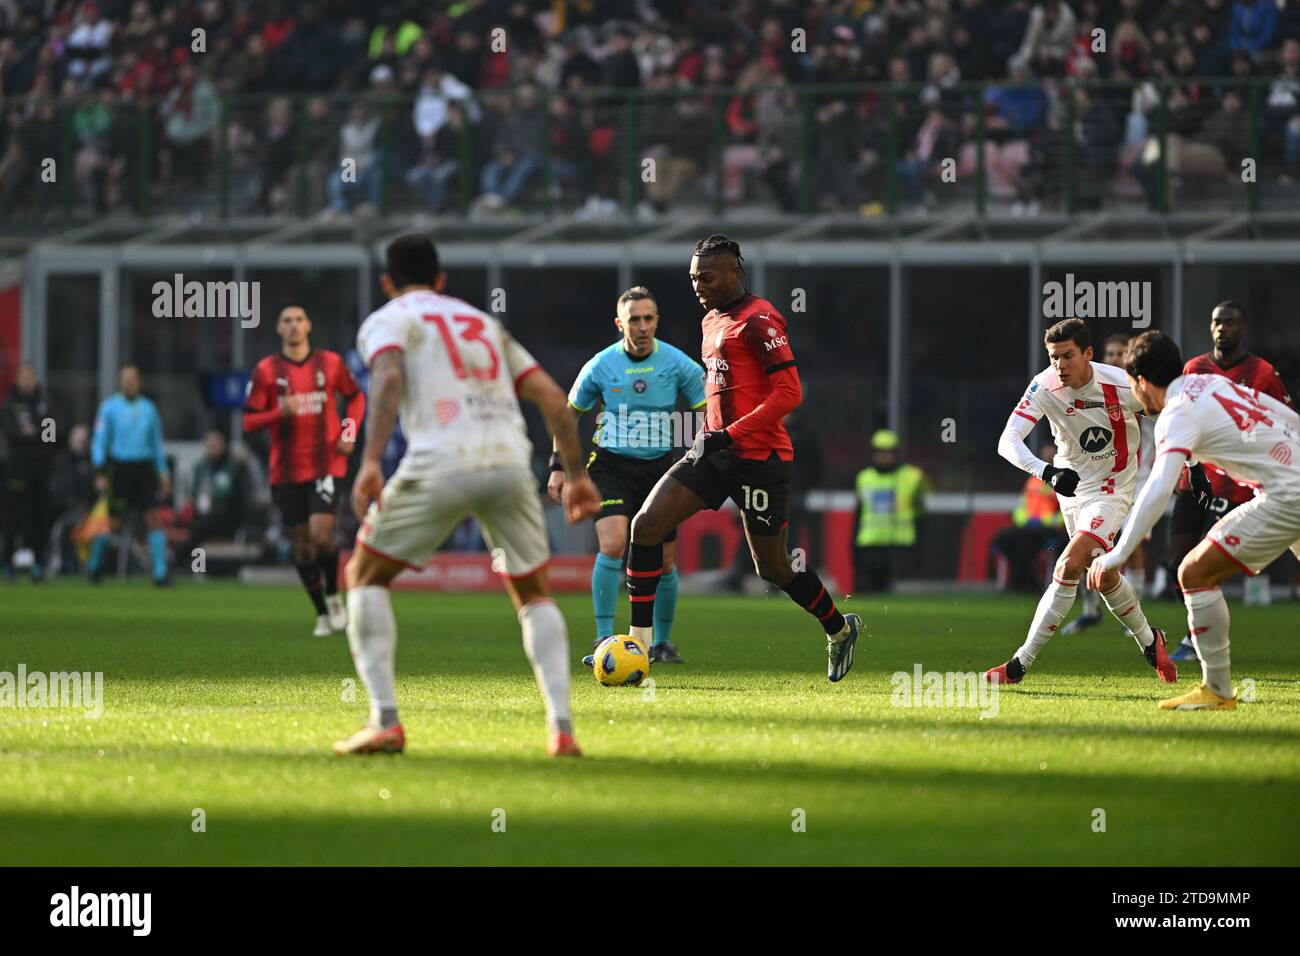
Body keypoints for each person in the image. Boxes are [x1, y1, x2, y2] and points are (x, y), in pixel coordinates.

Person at [339, 234, 600, 757]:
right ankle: (562, 729)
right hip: (508, 460)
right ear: (441, 280)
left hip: (442, 459)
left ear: (387, 283)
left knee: (364, 576)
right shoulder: (483, 322)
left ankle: (385, 721)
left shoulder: (388, 319)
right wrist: (576, 474)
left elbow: (387, 377)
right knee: (532, 592)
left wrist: (369, 462)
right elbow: (553, 398)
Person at [623, 235, 863, 682]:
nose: (698, 285)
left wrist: (728, 434)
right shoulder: (711, 320)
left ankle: (837, 628)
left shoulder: (761, 320)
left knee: (771, 567)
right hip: (713, 452)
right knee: (646, 524)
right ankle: (637, 645)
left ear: (734, 272)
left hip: (760, 460)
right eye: (693, 277)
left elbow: (790, 393)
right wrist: (710, 434)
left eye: (706, 277)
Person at [1089, 331, 1300, 710]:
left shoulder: (1176, 412)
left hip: (1287, 495)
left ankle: (1217, 690)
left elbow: (1157, 486)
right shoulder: (1206, 382)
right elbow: (1281, 414)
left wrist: (1117, 554)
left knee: (1194, 574)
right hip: (1289, 482)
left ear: (1141, 381)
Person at [987, 319, 1176, 686]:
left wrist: (1192, 464)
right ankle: (1152, 643)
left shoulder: (1121, 384)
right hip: (1071, 491)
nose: (1060, 365)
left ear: (1088, 353)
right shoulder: (1044, 385)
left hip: (1114, 489)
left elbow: (1169, 413)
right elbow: (1007, 439)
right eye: (1054, 357)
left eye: (1068, 356)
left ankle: (1018, 665)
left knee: (1069, 564)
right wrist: (1046, 472)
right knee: (1102, 577)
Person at [547, 285, 705, 664]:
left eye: (649, 318)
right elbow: (568, 417)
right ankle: (604, 639)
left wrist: (702, 455)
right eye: (634, 319)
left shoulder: (678, 364)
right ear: (620, 324)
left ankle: (661, 644)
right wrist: (557, 468)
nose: (642, 326)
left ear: (657, 322)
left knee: (664, 559)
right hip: (610, 465)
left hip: (661, 468)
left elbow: (707, 410)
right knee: (614, 544)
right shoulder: (601, 365)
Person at [1166, 301, 1293, 661]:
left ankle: (1197, 643)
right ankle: (1198, 635)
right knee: (1178, 562)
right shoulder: (1195, 369)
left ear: (1244, 328)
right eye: (1216, 322)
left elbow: (1283, 419)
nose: (1222, 328)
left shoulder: (1262, 372)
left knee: (1205, 565)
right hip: (1194, 483)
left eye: (1230, 322)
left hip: (1236, 485)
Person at [243, 303, 364, 636]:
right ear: (279, 329)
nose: (294, 325)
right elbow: (248, 421)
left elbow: (356, 398)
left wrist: (349, 432)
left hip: (327, 463)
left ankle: (333, 593)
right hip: (285, 471)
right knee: (302, 545)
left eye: (299, 319)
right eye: (286, 321)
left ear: (308, 325)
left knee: (321, 534)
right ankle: (322, 612)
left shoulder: (331, 363)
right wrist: (277, 413)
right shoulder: (266, 371)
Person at [1066, 331, 1155, 632]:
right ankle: (1090, 609)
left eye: (1121, 353)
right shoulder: (1096, 391)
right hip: (1100, 482)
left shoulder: (1140, 389)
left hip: (1139, 479)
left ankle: (1134, 614)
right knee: (1085, 546)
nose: (1116, 358)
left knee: (1135, 545)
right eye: (1112, 354)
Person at [87, 365, 171, 586]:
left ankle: (160, 573)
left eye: (133, 379)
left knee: (154, 519)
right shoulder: (109, 408)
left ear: (139, 382)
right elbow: (99, 441)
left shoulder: (149, 409)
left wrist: (162, 473)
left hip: (144, 469)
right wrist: (99, 470)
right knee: (114, 522)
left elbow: (156, 444)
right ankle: (94, 566)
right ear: (119, 382)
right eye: (125, 379)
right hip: (120, 469)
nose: (129, 383)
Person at [853, 429, 929, 593]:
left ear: (896, 453)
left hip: (901, 546)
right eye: (880, 451)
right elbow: (858, 515)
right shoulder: (863, 478)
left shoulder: (912, 476)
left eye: (888, 451)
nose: (884, 456)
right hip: (870, 545)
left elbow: (921, 514)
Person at [0, 363, 56, 582]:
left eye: (30, 376)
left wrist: (32, 434)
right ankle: (7, 564)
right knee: (12, 521)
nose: (27, 380)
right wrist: (34, 433)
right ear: (18, 380)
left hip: (40, 471)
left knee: (38, 521)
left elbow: (51, 436)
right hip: (15, 471)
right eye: (23, 376)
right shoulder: (9, 405)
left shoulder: (45, 404)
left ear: (35, 380)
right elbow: (12, 433)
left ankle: (38, 566)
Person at [990, 441, 1065, 591]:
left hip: (1049, 528)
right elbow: (1021, 507)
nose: (1047, 456)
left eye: (1051, 453)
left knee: (1025, 541)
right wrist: (1025, 521)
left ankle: (1020, 582)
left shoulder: (1065, 480)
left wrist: (1046, 521)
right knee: (1004, 537)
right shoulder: (1032, 480)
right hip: (1028, 526)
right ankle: (1026, 579)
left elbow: (1067, 511)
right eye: (1045, 453)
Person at [176, 429, 251, 569]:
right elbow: (194, 493)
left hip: (226, 515)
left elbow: (238, 496)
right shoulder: (201, 468)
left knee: (200, 528)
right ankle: (195, 567)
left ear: (223, 445)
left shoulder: (234, 466)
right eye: (209, 444)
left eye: (215, 443)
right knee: (194, 526)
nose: (212, 447)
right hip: (203, 515)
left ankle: (179, 562)